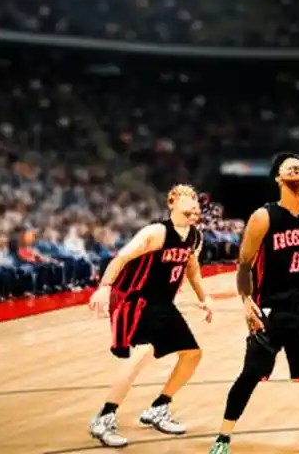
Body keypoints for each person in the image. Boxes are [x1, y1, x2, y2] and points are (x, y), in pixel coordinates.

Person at [209, 152, 299, 454]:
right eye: (288, 166)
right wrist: (245, 300)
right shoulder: (264, 216)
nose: (295, 167)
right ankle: (223, 437)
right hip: (270, 311)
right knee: (250, 374)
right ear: (278, 177)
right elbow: (243, 264)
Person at [86, 185, 211, 448]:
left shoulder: (195, 237)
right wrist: (104, 287)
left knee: (192, 354)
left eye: (197, 200)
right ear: (172, 202)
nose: (195, 204)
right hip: (139, 300)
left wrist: (204, 298)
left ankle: (159, 407)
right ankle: (104, 417)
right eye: (188, 198)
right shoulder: (156, 232)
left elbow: (192, 269)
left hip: (164, 304)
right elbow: (120, 258)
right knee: (141, 355)